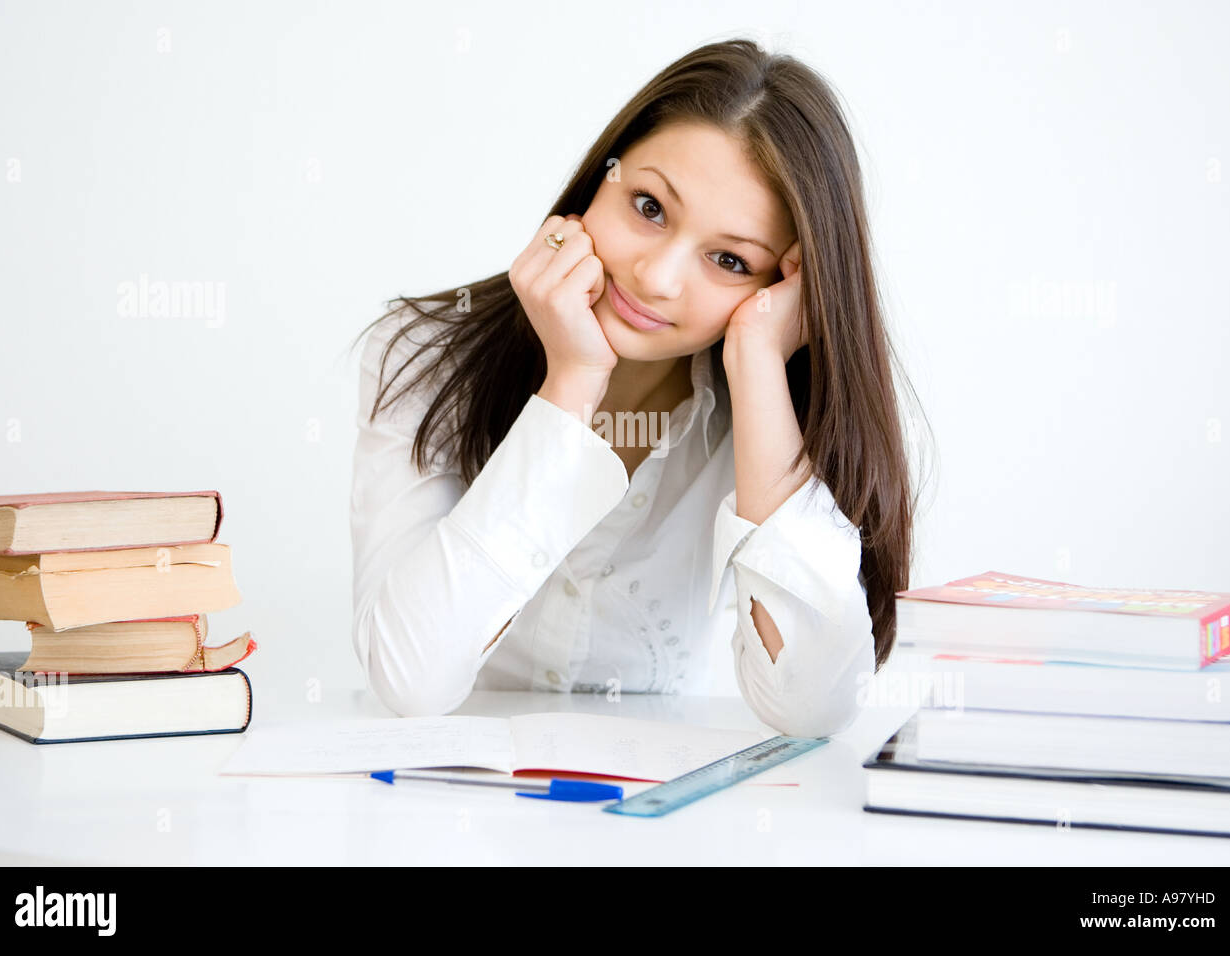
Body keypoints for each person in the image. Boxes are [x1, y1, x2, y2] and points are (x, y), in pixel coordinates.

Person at [349, 37, 930, 737]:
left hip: (653, 793)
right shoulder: (425, 352)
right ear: (601, 178)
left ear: (786, 283)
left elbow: (812, 711)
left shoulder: (773, 412)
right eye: (649, 207)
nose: (657, 278)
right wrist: (572, 380)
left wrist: (757, 359)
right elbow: (410, 680)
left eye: (729, 260)